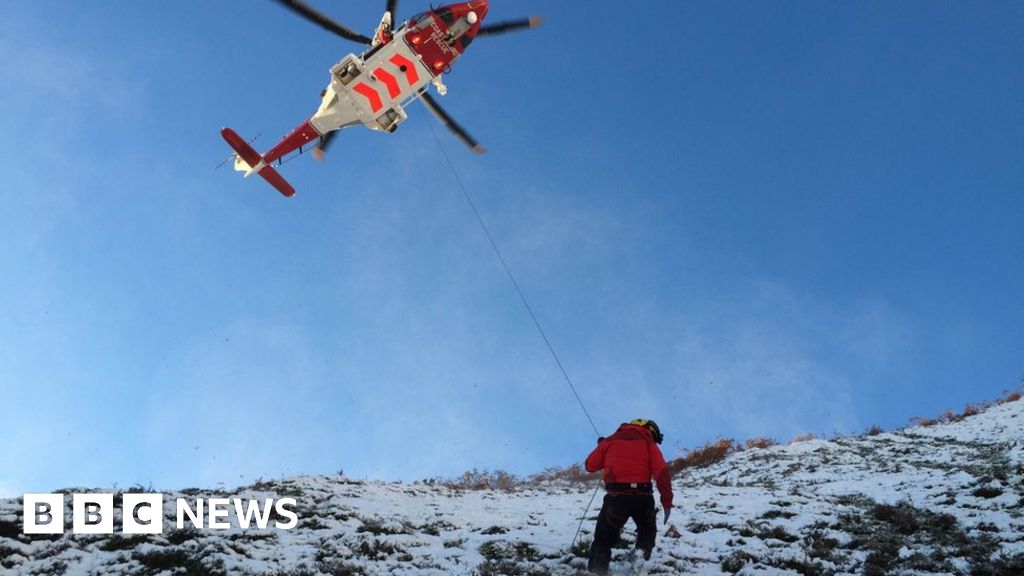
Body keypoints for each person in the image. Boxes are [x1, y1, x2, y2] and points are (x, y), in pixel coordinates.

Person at [584, 419, 673, 575]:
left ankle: (598, 571)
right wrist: (666, 501)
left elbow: (590, 466)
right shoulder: (648, 443)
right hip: (643, 497)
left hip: (616, 498)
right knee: (647, 531)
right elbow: (662, 473)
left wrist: (602, 446)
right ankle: (639, 557)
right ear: (648, 430)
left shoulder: (610, 440)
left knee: (603, 539)